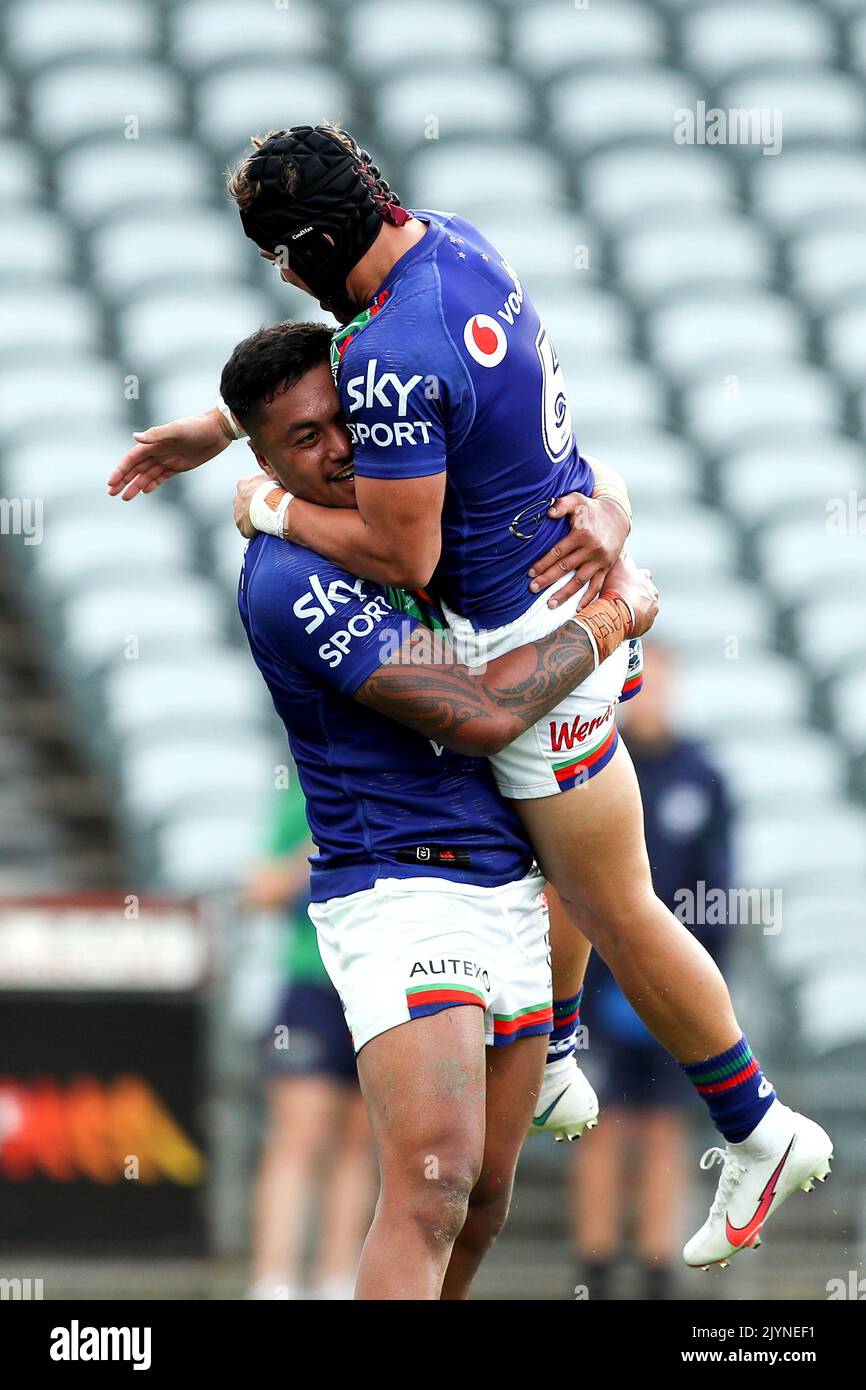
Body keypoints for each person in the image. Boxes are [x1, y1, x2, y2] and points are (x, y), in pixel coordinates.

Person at [107, 126, 832, 1267]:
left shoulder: (387, 370)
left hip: (534, 646)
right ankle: (557, 1058)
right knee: (566, 885)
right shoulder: (451, 246)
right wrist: (221, 427)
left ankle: (751, 1125)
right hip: (555, 569)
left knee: (616, 904)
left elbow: (401, 559)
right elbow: (374, 359)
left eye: (280, 259)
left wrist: (269, 505)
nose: (285, 281)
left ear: (306, 246)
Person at [224, 319, 657, 1299]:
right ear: (262, 456)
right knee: (431, 1186)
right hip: (402, 885)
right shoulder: (292, 576)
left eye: (343, 420)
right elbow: (478, 713)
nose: (336, 446)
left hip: (504, 884)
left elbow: (588, 474)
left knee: (483, 1199)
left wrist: (610, 519)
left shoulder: (418, 504)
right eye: (300, 440)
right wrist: (609, 616)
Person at [568, 644, 735, 1299]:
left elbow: (720, 884)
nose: (651, 697)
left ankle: (660, 1267)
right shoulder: (595, 761)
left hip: (674, 978)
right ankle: (597, 1268)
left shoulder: (703, 776)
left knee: (666, 1124)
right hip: (599, 975)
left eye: (663, 684)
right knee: (603, 1122)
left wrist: (699, 978)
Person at [243, 782, 375, 1300]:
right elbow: (261, 890)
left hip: (372, 985)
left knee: (358, 1143)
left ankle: (338, 1281)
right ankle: (273, 1281)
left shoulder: (393, 784)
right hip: (311, 984)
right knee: (297, 1135)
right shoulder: (300, 792)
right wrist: (326, 842)